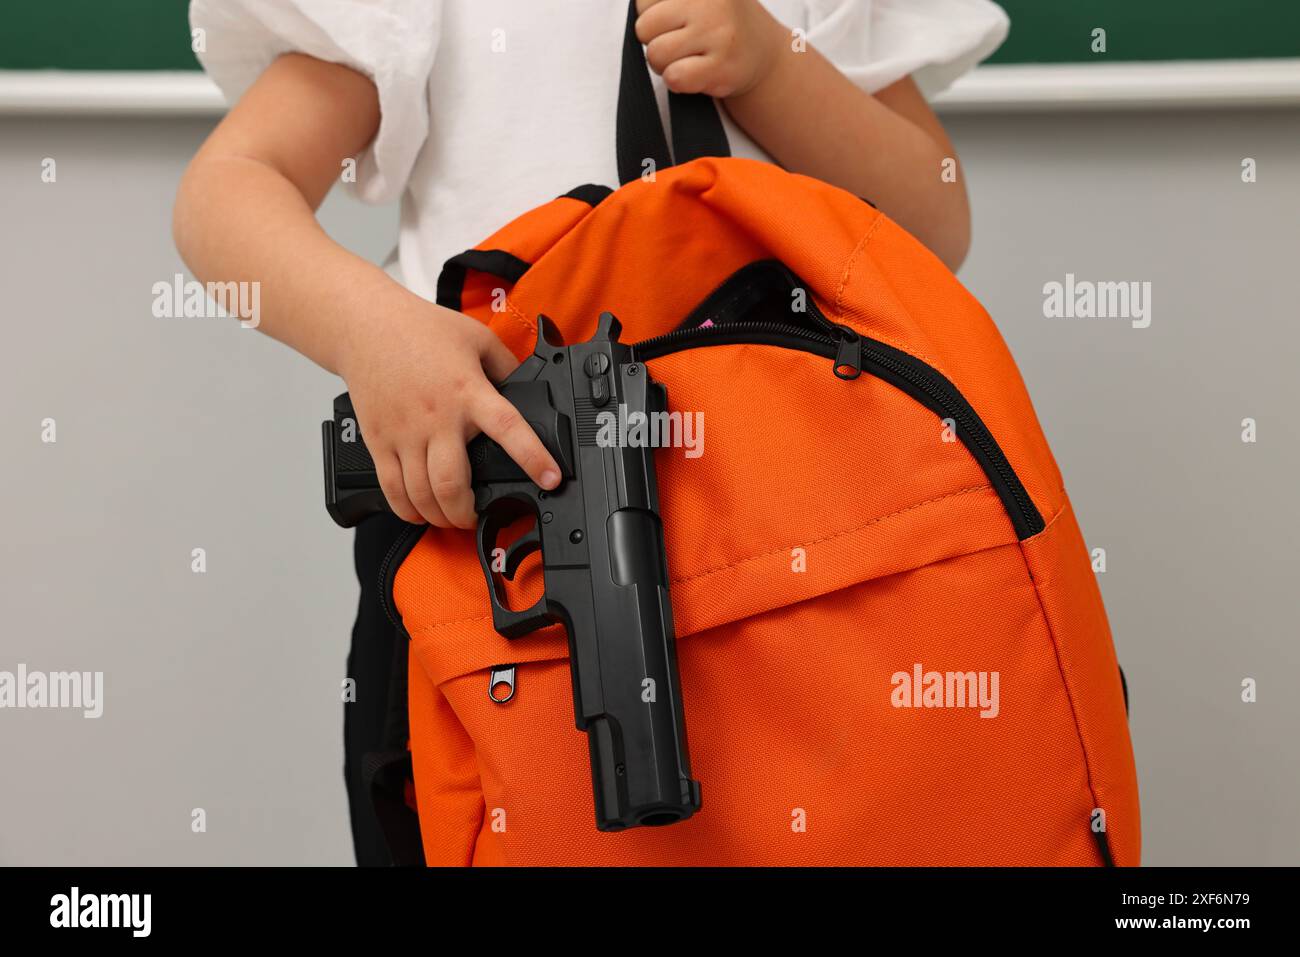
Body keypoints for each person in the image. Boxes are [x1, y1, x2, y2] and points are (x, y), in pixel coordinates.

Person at [174, 0, 1009, 864]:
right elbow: (228, 185)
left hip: (777, 523)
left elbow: (932, 223)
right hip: (487, 519)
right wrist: (369, 332)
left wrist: (770, 63)